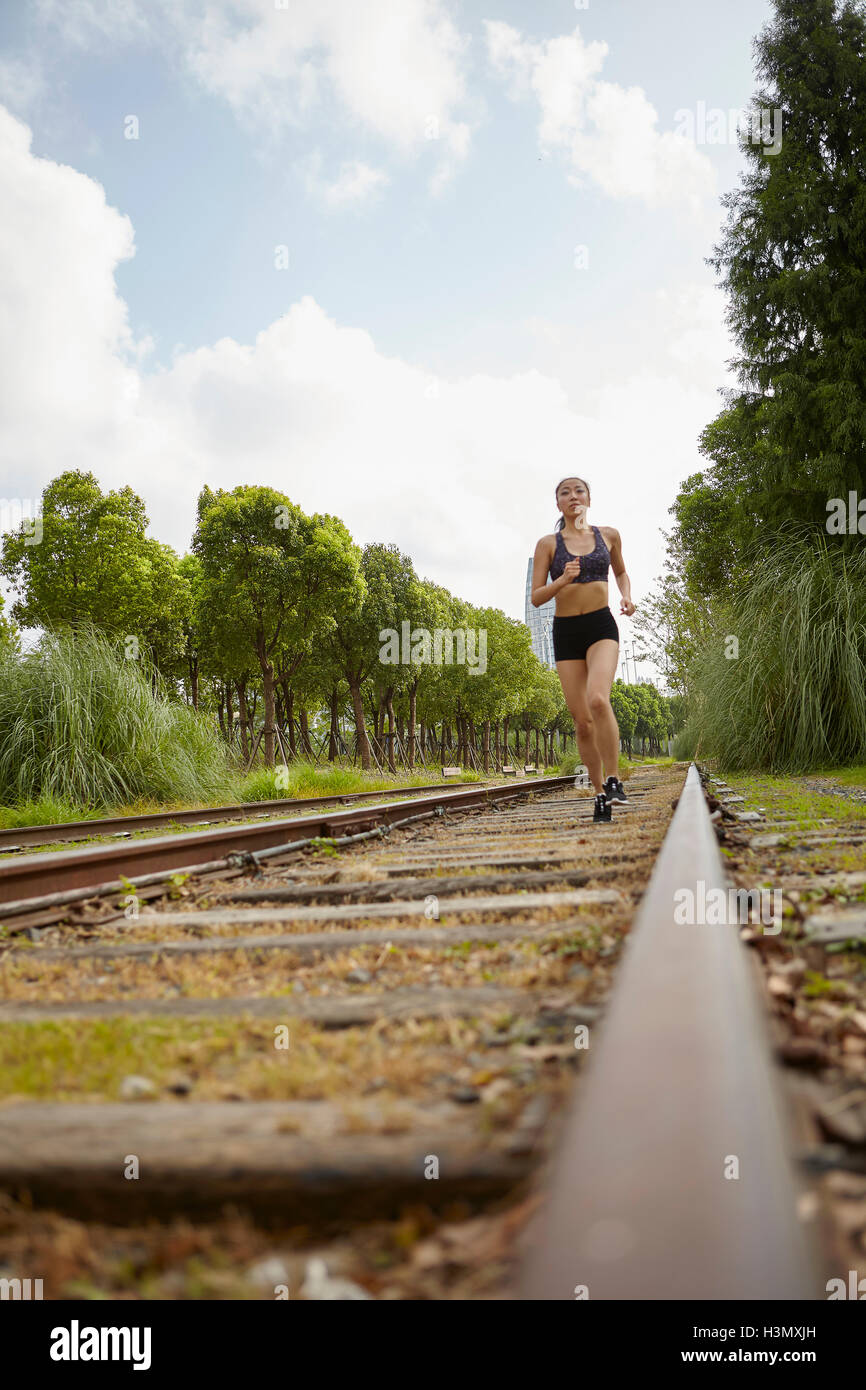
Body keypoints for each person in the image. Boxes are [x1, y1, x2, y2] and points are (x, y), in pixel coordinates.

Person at [530, 476, 636, 822]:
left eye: (579, 490)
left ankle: (614, 778)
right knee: (583, 722)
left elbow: (621, 572)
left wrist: (626, 596)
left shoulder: (609, 536)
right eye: (565, 492)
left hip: (601, 625)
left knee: (598, 699)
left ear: (589, 499)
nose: (573, 496)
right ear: (557, 503)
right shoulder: (548, 544)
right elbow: (536, 597)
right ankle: (599, 794)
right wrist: (561, 580)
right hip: (566, 631)